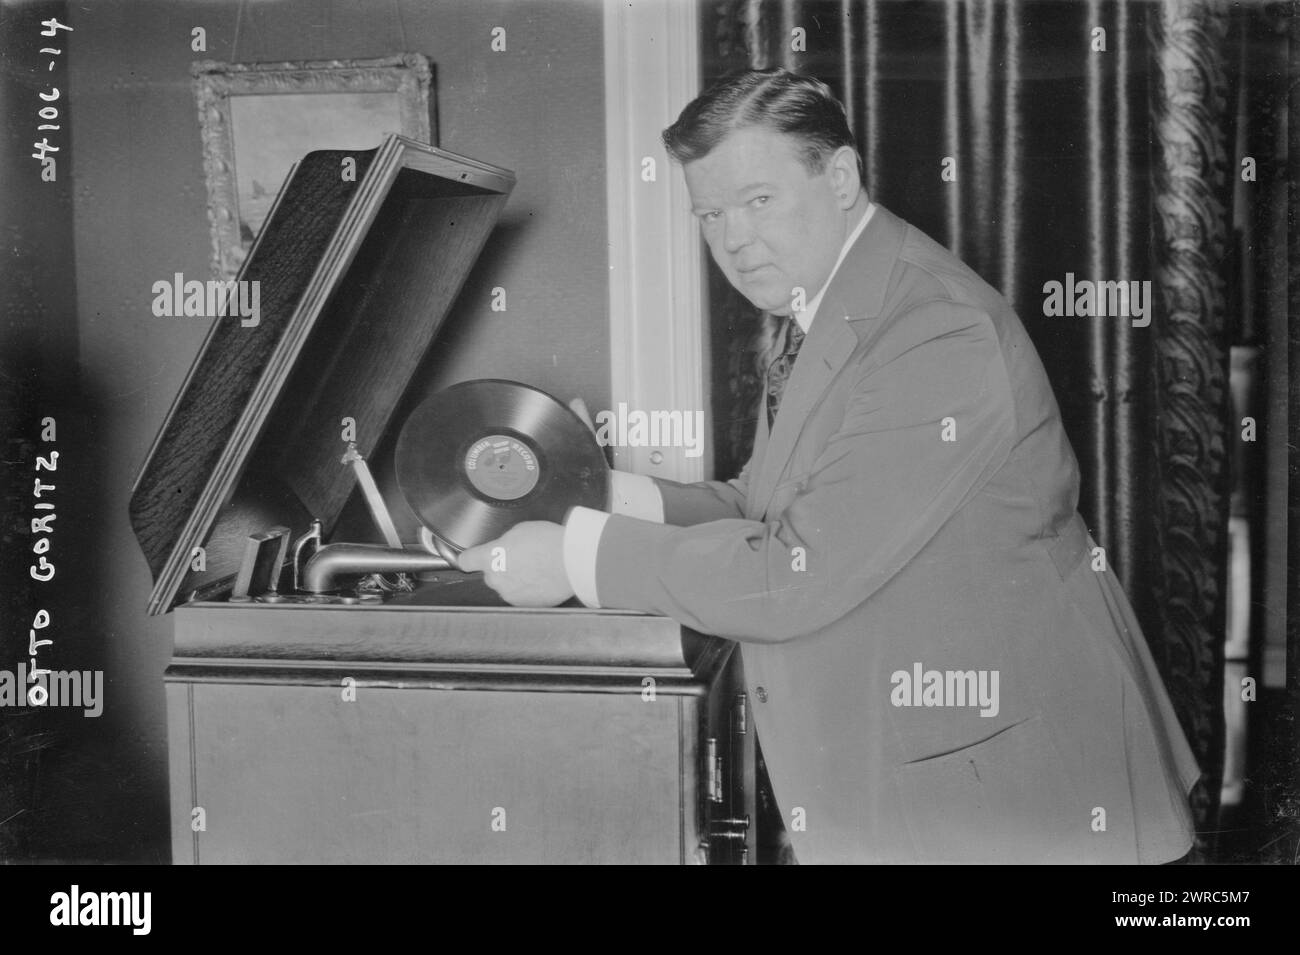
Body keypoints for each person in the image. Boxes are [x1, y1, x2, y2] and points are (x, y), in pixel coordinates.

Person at [460, 68, 1200, 864]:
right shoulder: (832, 300)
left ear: (840, 177)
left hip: (1021, 796)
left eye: (758, 201)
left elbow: (795, 571)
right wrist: (603, 494)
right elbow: (767, 504)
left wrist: (578, 557)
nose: (733, 239)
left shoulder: (935, 330)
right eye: (710, 214)